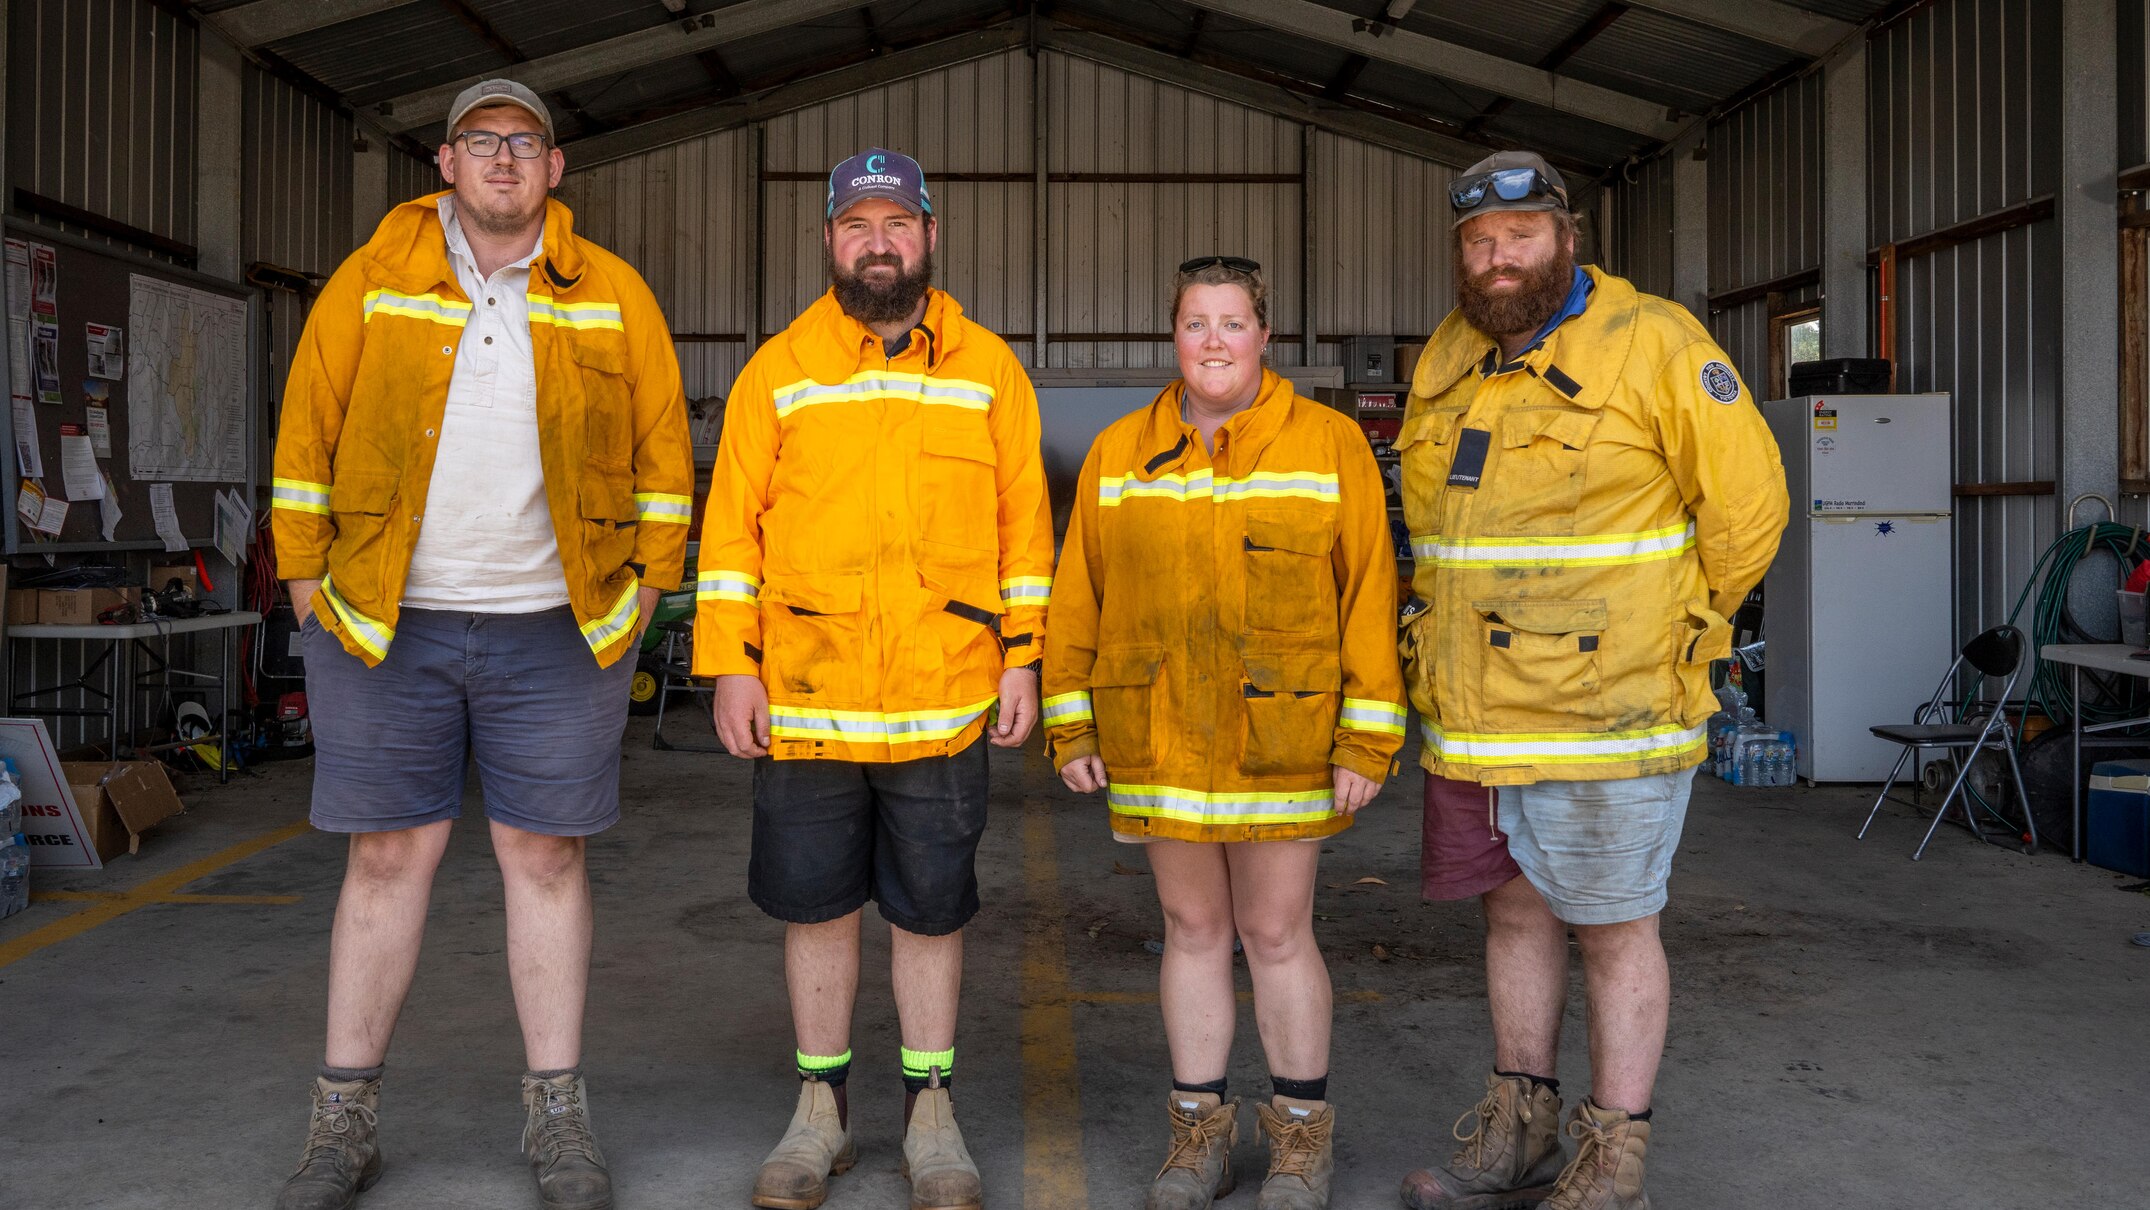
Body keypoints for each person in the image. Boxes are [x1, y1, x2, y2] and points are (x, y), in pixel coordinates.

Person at [268, 79, 692, 1210]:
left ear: (555, 172)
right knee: (385, 860)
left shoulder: (615, 295)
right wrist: (306, 585)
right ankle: (341, 1120)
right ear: (445, 165)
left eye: (525, 144)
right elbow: (305, 432)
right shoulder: (370, 282)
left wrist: (647, 592)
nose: (504, 160)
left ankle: (557, 1115)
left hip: (559, 628)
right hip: (379, 624)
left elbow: (663, 453)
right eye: (481, 143)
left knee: (545, 860)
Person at [1392, 151, 1787, 1210]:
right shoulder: (1449, 354)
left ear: (1567, 237)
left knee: (1614, 928)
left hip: (1607, 709)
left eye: (1519, 236)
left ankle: (1613, 1162)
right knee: (1511, 915)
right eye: (1478, 241)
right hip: (1477, 713)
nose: (1497, 257)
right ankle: (1518, 1127)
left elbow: (1745, 512)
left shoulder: (1653, 342)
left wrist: (1678, 631)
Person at [694, 147, 1055, 1210]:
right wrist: (728, 666)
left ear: (930, 236)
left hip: (946, 696)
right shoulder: (778, 369)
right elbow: (730, 536)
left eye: (898, 222)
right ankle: (820, 1115)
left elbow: (1022, 530)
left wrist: (1022, 656)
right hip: (805, 696)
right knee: (815, 908)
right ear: (830, 240)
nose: (879, 241)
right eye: (859, 224)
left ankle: (930, 1116)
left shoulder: (988, 369)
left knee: (930, 912)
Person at [1043, 256, 1408, 1210]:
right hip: (1159, 737)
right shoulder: (1122, 453)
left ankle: (1298, 1139)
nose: (1213, 340)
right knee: (1193, 929)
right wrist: (1070, 720)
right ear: (1174, 336)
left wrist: (1365, 741)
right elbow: (1077, 595)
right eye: (1196, 322)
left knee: (1277, 931)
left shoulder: (1329, 446)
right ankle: (1198, 1135)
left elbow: (1370, 594)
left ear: (1264, 336)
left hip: (1281, 737)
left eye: (1232, 322)